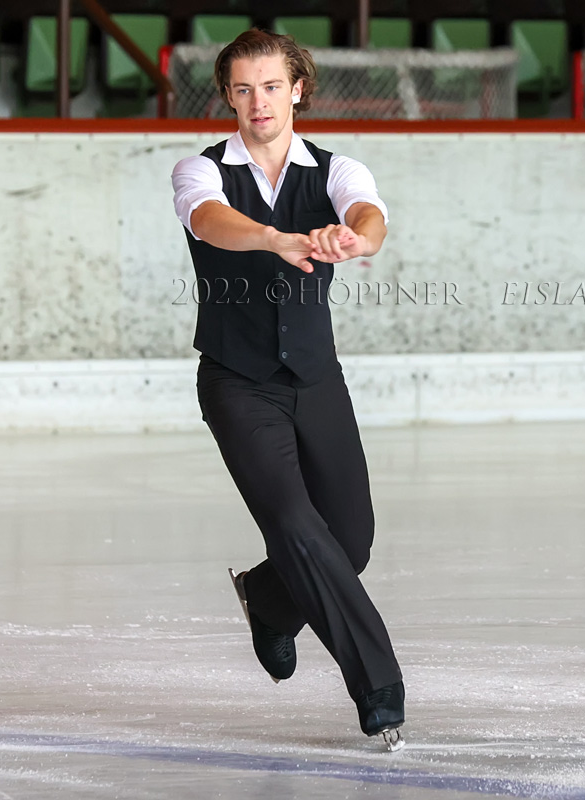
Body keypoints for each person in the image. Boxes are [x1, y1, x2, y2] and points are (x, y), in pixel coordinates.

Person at [170, 30, 405, 751]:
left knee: (351, 542)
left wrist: (356, 241)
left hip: (315, 377)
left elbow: (368, 214)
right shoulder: (199, 170)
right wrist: (276, 238)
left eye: (270, 86)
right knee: (298, 527)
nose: (257, 102)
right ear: (228, 98)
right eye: (242, 89)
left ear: (297, 88)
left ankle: (270, 603)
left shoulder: (335, 169)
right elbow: (209, 221)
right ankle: (380, 690)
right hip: (238, 384)